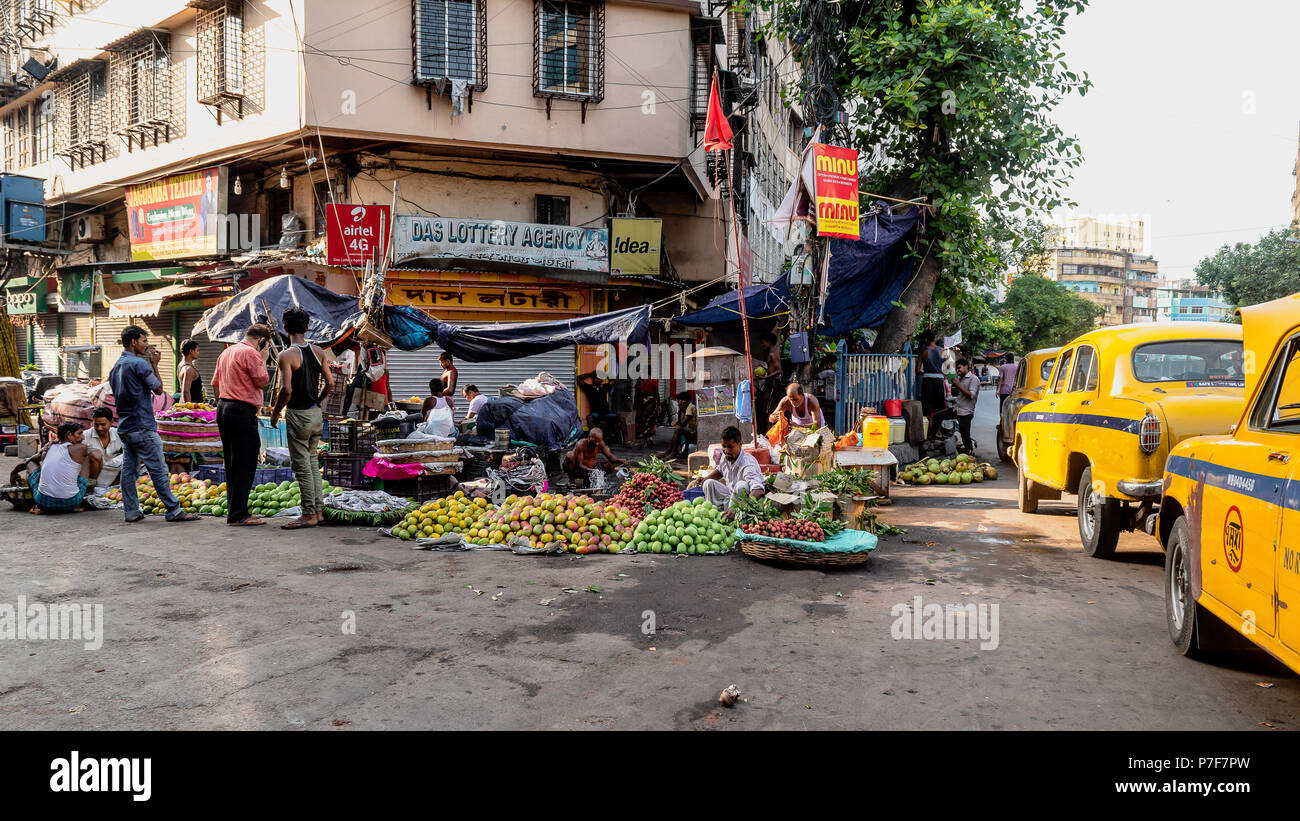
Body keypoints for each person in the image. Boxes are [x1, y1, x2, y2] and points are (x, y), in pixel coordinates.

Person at [108, 325, 198, 523]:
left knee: (128, 470)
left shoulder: (116, 367)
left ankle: (131, 511)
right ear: (133, 342)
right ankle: (173, 510)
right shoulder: (140, 364)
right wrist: (155, 364)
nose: (146, 344)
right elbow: (158, 389)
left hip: (126, 426)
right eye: (144, 341)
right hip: (142, 426)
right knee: (158, 470)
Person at [270, 308, 334, 530]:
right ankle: (318, 511)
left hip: (298, 414)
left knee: (303, 467)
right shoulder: (319, 352)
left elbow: (286, 390)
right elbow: (331, 384)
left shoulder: (286, 355)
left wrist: (276, 412)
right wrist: (318, 399)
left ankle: (308, 514)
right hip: (316, 414)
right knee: (312, 463)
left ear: (285, 329)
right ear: (307, 328)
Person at [211, 324, 272, 526]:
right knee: (245, 461)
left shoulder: (228, 352)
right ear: (262, 340)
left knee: (232, 461)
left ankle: (237, 511)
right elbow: (263, 381)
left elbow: (215, 384)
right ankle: (238, 514)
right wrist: (263, 360)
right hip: (240, 410)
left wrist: (224, 403)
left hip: (224, 408)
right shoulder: (251, 354)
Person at [10, 421, 102, 514]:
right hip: (72, 502)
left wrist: (14, 472)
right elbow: (96, 455)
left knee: (31, 464)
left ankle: (37, 505)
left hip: (43, 502)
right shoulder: (80, 448)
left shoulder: (48, 447)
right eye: (80, 433)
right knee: (88, 459)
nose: (82, 437)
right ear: (69, 434)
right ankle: (92, 488)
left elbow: (29, 461)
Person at [693, 425, 765, 512]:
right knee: (708, 483)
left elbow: (758, 491)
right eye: (724, 446)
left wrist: (736, 509)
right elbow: (720, 471)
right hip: (731, 494)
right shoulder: (726, 456)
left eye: (730, 447)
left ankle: (734, 515)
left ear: (740, 444)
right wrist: (705, 478)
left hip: (747, 503)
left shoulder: (748, 463)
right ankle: (714, 514)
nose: (726, 450)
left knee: (741, 486)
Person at [930, 358, 980, 454]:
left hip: (966, 412)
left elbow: (971, 395)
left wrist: (958, 385)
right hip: (957, 409)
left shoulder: (974, 379)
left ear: (966, 366)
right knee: (937, 416)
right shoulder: (960, 378)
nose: (958, 370)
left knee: (965, 436)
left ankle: (969, 454)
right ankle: (933, 437)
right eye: (956, 369)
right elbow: (954, 394)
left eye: (959, 368)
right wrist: (954, 385)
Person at [85, 406, 123, 488]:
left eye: (103, 424)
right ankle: (92, 487)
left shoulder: (118, 434)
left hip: (114, 473)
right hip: (92, 476)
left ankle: (114, 486)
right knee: (95, 455)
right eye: (96, 424)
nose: (99, 428)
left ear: (111, 421)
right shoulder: (85, 436)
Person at [918, 331, 946, 425]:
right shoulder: (942, 351)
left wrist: (925, 373)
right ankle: (937, 431)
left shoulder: (924, 351)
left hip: (927, 381)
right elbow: (949, 368)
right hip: (939, 381)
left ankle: (927, 430)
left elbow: (918, 370)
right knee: (939, 407)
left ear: (926, 339)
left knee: (926, 406)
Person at [660, 391, 696, 460]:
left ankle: (672, 452)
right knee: (678, 430)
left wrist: (680, 411)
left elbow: (683, 423)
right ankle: (670, 452)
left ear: (684, 401)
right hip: (690, 431)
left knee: (678, 429)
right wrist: (680, 411)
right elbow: (680, 422)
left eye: (678, 401)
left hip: (694, 433)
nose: (677, 403)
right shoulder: (686, 408)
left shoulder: (690, 407)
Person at [634, 379, 660, 448]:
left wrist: (635, 405)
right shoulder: (654, 380)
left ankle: (645, 441)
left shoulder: (640, 381)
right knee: (651, 421)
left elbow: (636, 394)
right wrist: (659, 404)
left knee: (643, 423)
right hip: (651, 404)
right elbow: (656, 393)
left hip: (642, 405)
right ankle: (651, 438)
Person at [177, 339, 203, 404]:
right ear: (191, 351)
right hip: (192, 408)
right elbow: (186, 392)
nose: (198, 353)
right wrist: (190, 410)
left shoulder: (181, 364)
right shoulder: (189, 369)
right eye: (197, 350)